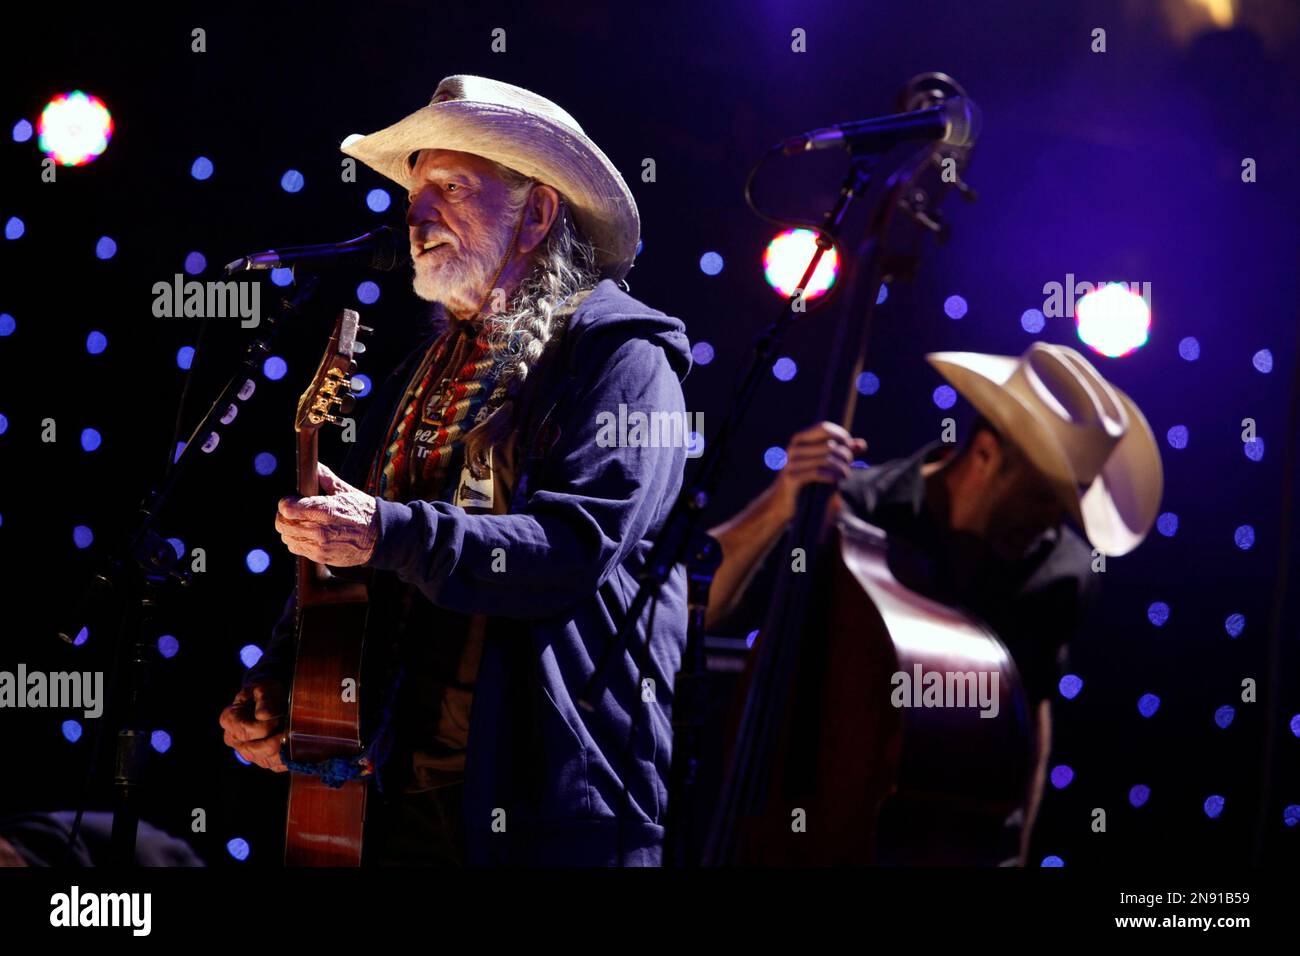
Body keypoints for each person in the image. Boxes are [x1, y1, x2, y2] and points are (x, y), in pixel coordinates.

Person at [219, 75, 692, 866]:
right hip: (402, 793)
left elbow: (573, 549)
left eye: (451, 186)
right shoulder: (432, 369)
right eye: (414, 189)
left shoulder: (623, 359)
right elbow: (383, 560)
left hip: (546, 810)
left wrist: (384, 530)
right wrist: (290, 678)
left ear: (536, 213)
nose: (416, 210)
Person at [705, 341, 1163, 864]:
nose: (1050, 525)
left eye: (1067, 509)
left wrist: (1016, 851)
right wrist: (784, 500)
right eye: (1042, 498)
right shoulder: (853, 511)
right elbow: (703, 606)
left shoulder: (1061, 572)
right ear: (986, 453)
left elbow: (1029, 715)